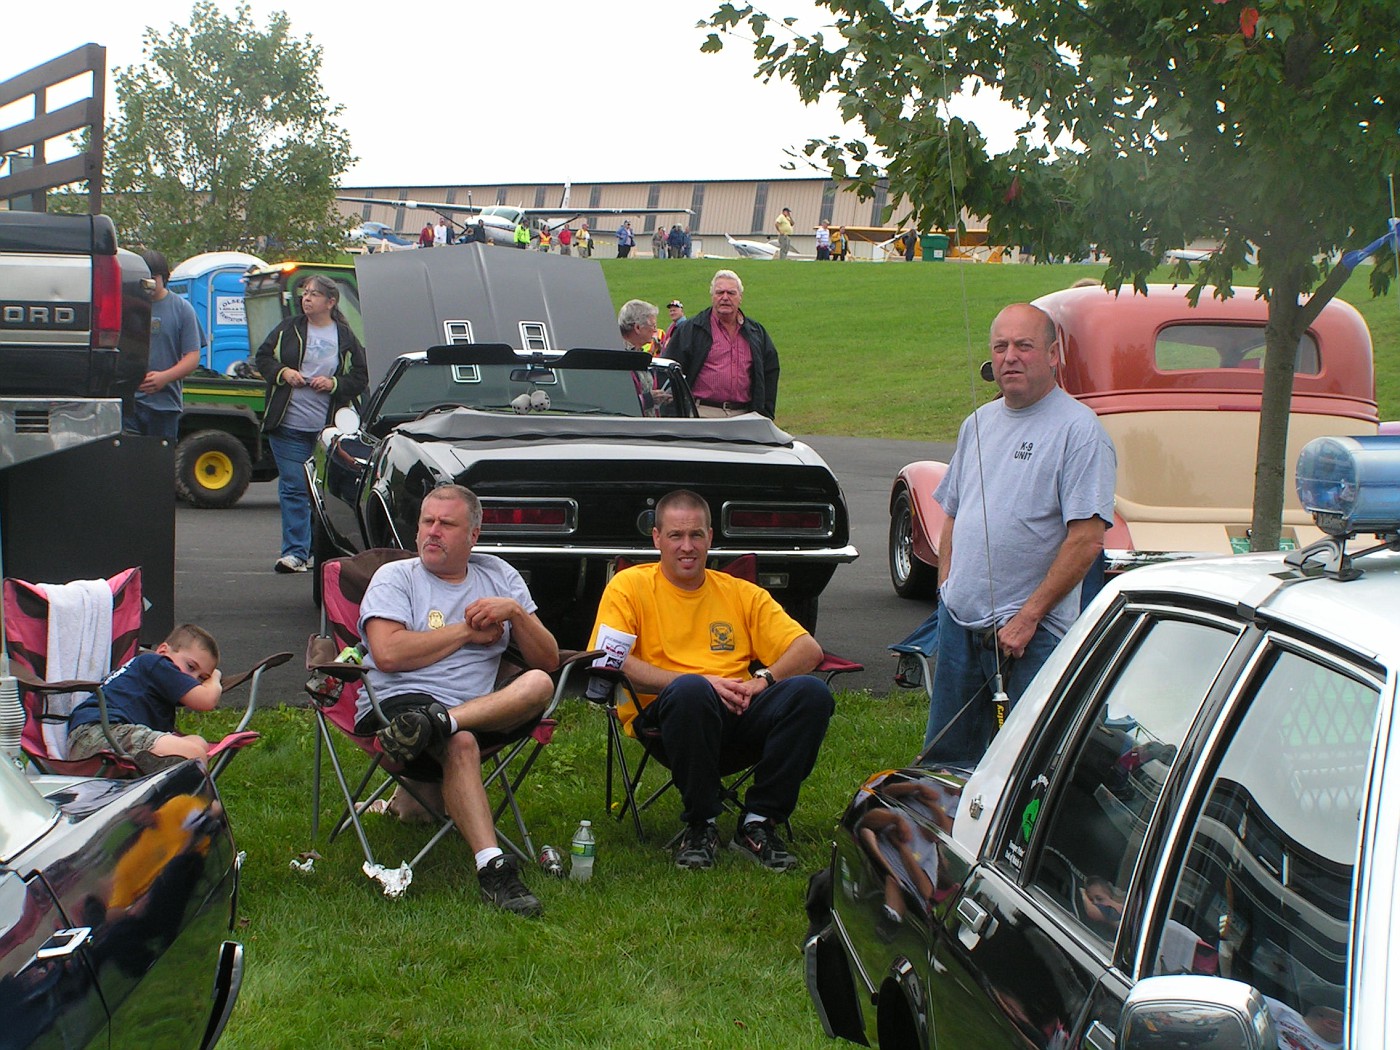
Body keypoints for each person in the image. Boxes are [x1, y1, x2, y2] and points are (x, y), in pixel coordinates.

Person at [589, 489, 834, 871]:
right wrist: (700, 681)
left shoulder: (739, 593)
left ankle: (759, 822)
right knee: (692, 690)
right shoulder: (629, 587)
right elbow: (610, 660)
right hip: (669, 717)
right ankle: (701, 825)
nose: (687, 547)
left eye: (696, 535)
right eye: (675, 536)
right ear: (656, 539)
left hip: (739, 709)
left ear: (710, 537)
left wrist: (760, 682)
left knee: (811, 693)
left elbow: (808, 650)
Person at [918, 303, 1116, 765]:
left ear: (1052, 354)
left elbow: (1086, 540)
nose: (1010, 356)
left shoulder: (1079, 432)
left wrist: (1028, 618)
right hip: (960, 625)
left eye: (1024, 346)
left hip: (1030, 635)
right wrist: (947, 587)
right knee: (947, 758)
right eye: (1001, 346)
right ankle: (945, 831)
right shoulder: (978, 425)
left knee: (1025, 763)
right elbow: (954, 513)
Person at [360, 483, 560, 916]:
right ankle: (494, 871)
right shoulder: (396, 577)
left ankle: (443, 722)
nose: (433, 532)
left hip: (475, 709)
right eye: (427, 523)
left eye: (446, 524)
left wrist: (516, 614)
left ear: (473, 534)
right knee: (462, 742)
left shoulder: (498, 576)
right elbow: (388, 654)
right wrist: (467, 633)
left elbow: (546, 659)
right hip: (398, 709)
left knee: (539, 685)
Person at [255, 275, 369, 574]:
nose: (307, 299)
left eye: (314, 295)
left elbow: (360, 376)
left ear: (330, 302)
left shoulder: (344, 336)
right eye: (305, 294)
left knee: (320, 493)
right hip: (288, 425)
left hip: (326, 431)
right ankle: (294, 553)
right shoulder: (288, 329)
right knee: (293, 486)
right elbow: (263, 357)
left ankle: (321, 551)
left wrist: (333, 383)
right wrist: (283, 373)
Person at [66, 624, 222, 774]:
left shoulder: (152, 677)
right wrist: (214, 678)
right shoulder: (156, 663)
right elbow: (206, 700)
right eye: (190, 667)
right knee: (193, 753)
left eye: (202, 678)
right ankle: (195, 799)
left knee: (198, 742)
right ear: (163, 651)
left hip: (112, 738)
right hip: (99, 734)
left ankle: (161, 786)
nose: (194, 679)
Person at [662, 269, 779, 418]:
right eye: (719, 293)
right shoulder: (691, 330)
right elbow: (669, 372)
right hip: (702, 412)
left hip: (744, 415)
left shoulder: (756, 333)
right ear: (712, 297)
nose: (725, 298)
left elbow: (770, 372)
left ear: (740, 297)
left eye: (731, 293)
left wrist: (765, 414)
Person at [126, 249, 202, 438]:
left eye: (153, 278)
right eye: (143, 279)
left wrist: (164, 378)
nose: (148, 284)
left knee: (159, 464)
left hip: (164, 407)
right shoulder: (128, 307)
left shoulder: (182, 309)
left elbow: (192, 357)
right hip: (129, 405)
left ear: (164, 277)